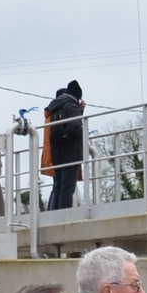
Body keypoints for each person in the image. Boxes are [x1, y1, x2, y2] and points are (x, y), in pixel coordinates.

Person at [46, 80, 86, 210]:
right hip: (71, 152)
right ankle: (65, 215)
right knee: (68, 187)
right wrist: (83, 135)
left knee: (58, 185)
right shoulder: (72, 106)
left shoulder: (55, 106)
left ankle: (56, 214)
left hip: (56, 151)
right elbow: (75, 127)